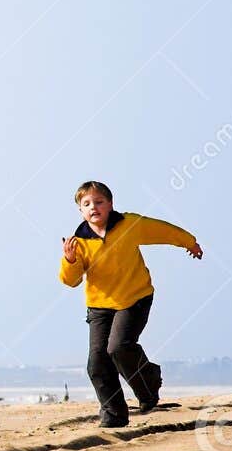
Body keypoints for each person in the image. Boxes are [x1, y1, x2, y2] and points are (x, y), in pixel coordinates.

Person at [58, 180, 202, 427]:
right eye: (87, 204)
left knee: (119, 347)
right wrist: (70, 260)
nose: (94, 207)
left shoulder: (129, 224)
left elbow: (162, 230)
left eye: (99, 202)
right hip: (100, 307)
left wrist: (189, 241)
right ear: (80, 210)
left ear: (111, 204)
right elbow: (71, 282)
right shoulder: (79, 242)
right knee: (97, 363)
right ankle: (114, 415)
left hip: (135, 298)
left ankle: (148, 386)